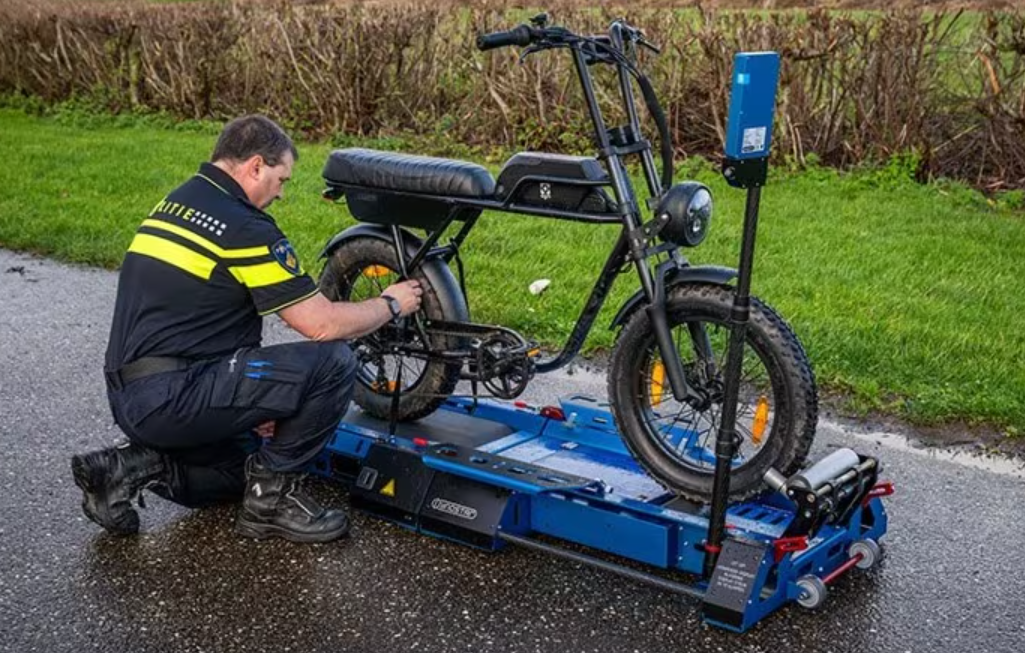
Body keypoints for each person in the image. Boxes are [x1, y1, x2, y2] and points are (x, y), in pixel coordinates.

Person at [71, 115, 422, 543]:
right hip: (175, 394)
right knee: (333, 361)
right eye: (280, 179)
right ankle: (271, 504)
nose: (280, 193)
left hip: (133, 396)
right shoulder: (243, 226)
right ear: (256, 165)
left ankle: (127, 469)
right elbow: (322, 324)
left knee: (242, 467)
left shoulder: (179, 202)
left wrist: (251, 405)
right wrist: (391, 303)